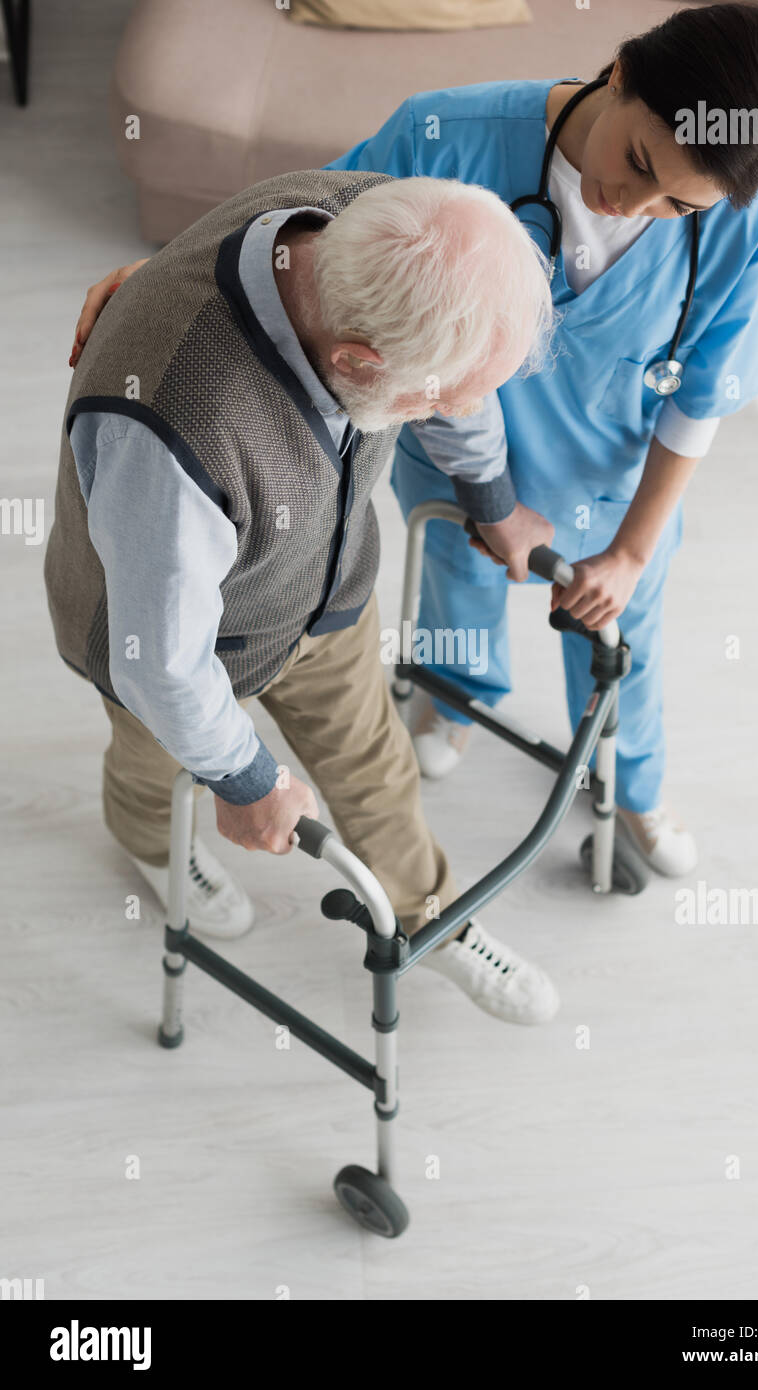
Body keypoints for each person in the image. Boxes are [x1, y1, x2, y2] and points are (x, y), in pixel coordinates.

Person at [71, 4, 758, 878]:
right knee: (454, 578)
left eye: (677, 205)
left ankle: (633, 783)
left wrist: (632, 550)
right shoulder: (443, 135)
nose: (634, 204)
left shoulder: (747, 228)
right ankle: (457, 703)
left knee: (620, 630)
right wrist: (160, 283)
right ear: (619, 71)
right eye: (638, 163)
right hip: (444, 446)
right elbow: (312, 230)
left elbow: (700, 399)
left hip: (605, 474)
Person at [46, 170, 562, 1026]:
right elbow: (163, 661)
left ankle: (431, 918)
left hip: (321, 595)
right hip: (162, 644)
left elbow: (456, 383)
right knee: (152, 768)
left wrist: (492, 500)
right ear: (357, 362)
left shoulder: (381, 224)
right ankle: (151, 846)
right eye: (440, 397)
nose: (462, 410)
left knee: (374, 763)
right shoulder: (174, 420)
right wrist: (245, 778)